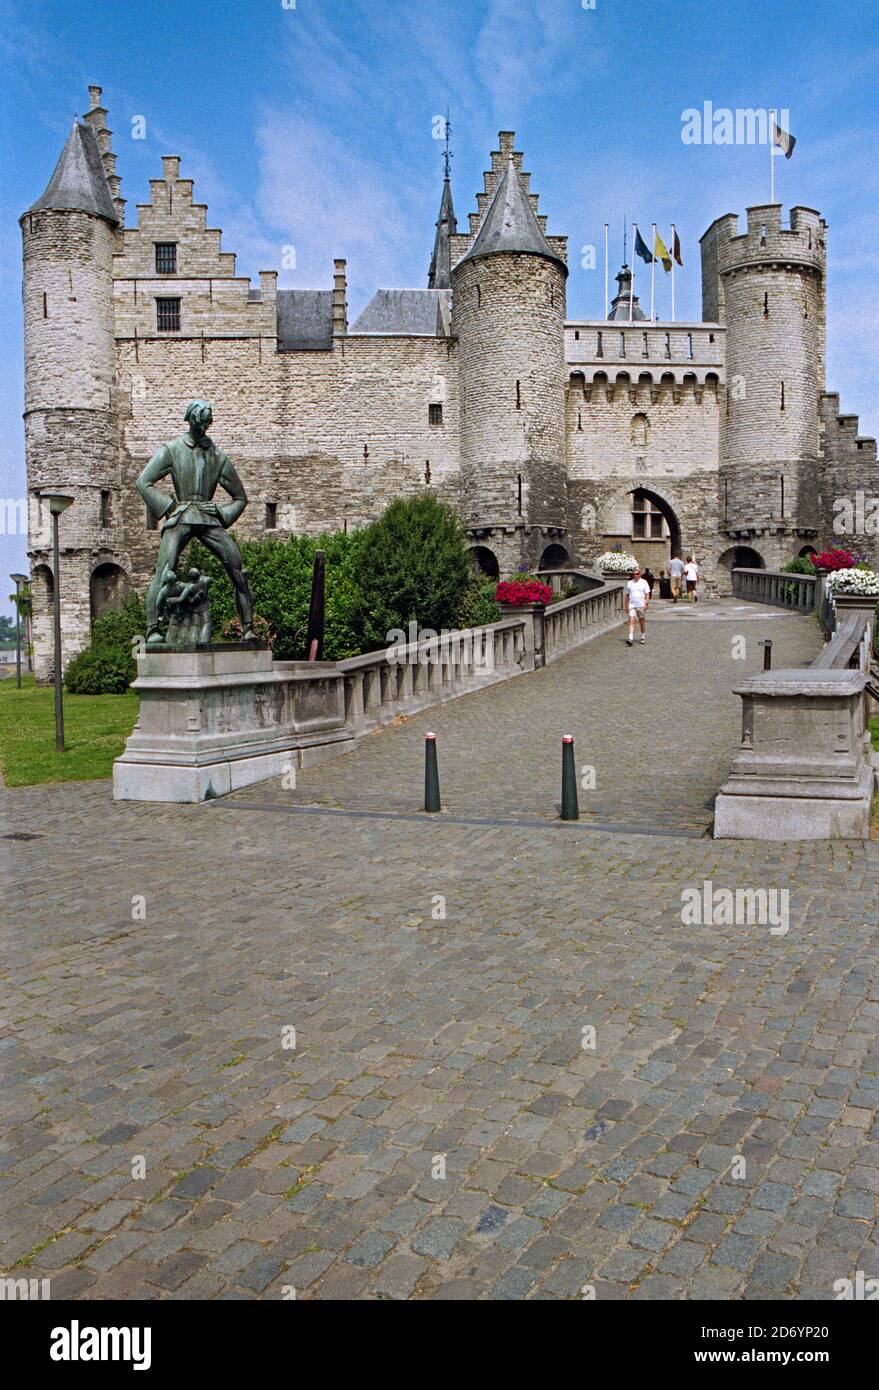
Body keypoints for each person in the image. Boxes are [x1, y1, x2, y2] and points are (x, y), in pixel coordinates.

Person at [137, 400, 255, 645]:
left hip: (208, 518)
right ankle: (153, 629)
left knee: (237, 569)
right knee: (164, 569)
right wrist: (170, 508)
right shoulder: (172, 449)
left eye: (206, 425)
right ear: (190, 421)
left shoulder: (218, 456)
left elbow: (240, 498)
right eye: (199, 424)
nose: (203, 429)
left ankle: (248, 629)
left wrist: (222, 513)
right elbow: (144, 481)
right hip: (182, 515)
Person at [624, 565, 651, 645]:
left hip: (641, 605)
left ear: (640, 574)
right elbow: (627, 595)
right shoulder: (629, 583)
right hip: (632, 605)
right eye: (634, 574)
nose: (635, 575)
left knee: (641, 622)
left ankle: (642, 635)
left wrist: (646, 603)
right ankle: (630, 638)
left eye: (637, 574)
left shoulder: (644, 582)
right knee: (631, 620)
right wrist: (626, 605)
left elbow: (647, 594)